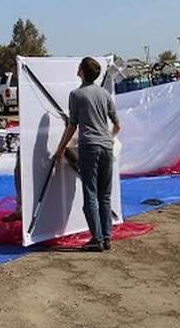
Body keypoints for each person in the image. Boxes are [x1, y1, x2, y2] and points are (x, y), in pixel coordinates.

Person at [55, 57, 121, 251]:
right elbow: (117, 125)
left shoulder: (76, 95)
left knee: (90, 193)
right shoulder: (104, 94)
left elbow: (72, 125)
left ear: (82, 72)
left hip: (89, 147)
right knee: (105, 195)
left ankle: (96, 239)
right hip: (106, 148)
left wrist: (61, 148)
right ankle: (107, 237)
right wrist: (107, 138)